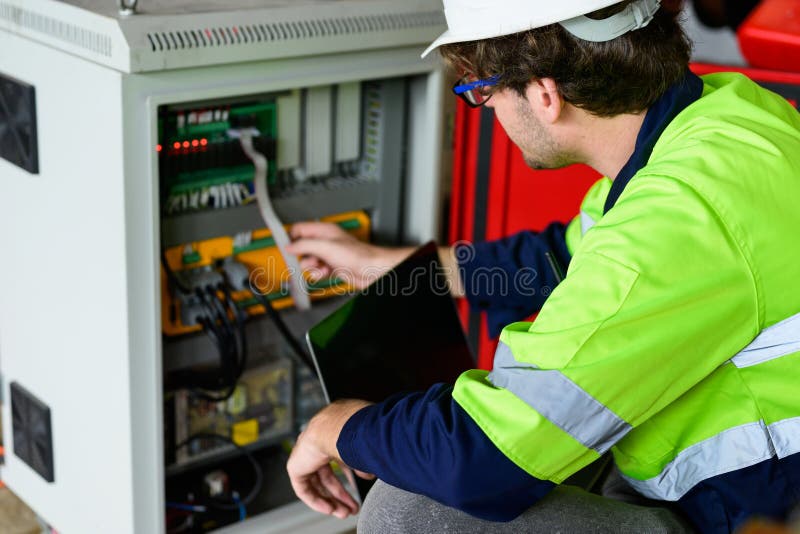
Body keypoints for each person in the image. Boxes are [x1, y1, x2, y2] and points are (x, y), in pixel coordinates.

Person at [284, 0, 800, 532]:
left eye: (482, 90)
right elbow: (559, 262)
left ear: (545, 94)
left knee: (409, 512)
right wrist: (388, 266)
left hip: (747, 513)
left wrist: (337, 427)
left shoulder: (681, 212)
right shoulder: (726, 118)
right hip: (735, 486)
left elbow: (484, 458)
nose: (485, 107)